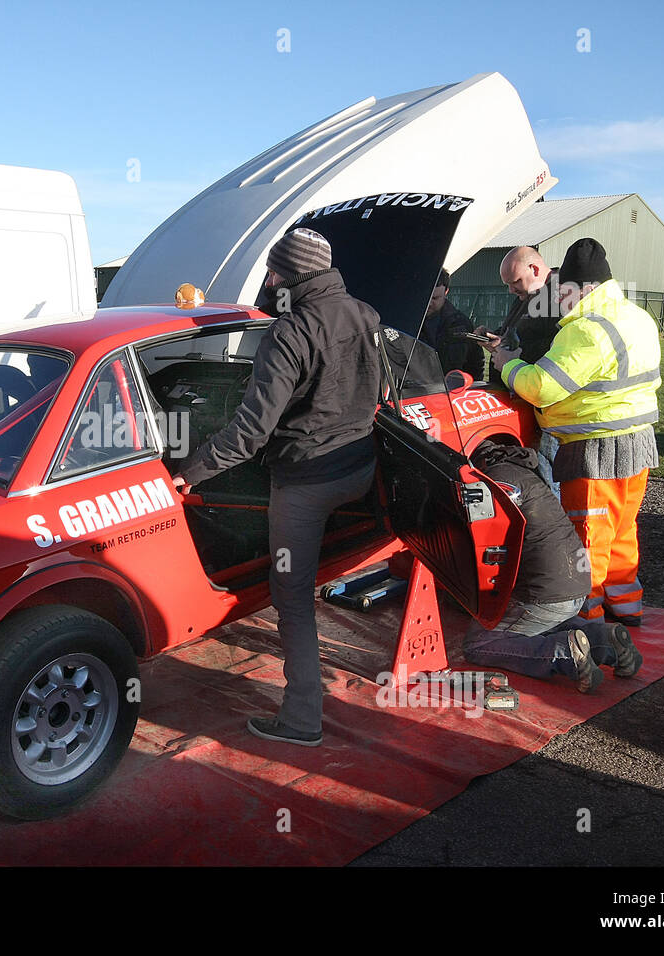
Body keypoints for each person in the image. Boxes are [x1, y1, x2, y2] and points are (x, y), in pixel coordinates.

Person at [172, 228, 381, 747]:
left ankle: (302, 721)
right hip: (359, 470)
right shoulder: (365, 314)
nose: (267, 280)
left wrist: (188, 473)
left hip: (306, 483)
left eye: (272, 271)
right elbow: (378, 391)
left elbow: (249, 433)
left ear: (286, 274)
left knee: (292, 597)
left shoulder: (290, 332)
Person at [481, 238, 661, 627]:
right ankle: (627, 603)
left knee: (588, 533)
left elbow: (543, 385)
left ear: (583, 289)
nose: (559, 299)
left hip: (595, 447)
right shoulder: (637, 317)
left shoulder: (586, 329)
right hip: (638, 442)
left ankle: (586, 614)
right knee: (622, 530)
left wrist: (507, 364)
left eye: (564, 291)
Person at [462, 440, 641, 692]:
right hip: (577, 583)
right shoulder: (528, 476)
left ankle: (563, 653)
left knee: (479, 643)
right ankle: (606, 641)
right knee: (542, 623)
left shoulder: (493, 483)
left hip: (547, 594)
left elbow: (482, 542)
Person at [489, 246, 561, 492]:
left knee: (548, 476)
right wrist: (497, 338)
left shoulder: (560, 296)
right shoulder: (530, 295)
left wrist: (513, 354)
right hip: (523, 393)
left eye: (515, 281)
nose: (511, 289)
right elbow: (518, 332)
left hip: (545, 402)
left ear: (535, 269)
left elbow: (558, 348)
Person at [420, 269, 484, 379]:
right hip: (413, 392)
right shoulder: (408, 323)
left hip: (452, 392)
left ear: (446, 292)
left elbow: (475, 363)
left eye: (435, 298)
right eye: (426, 297)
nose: (429, 303)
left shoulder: (461, 324)